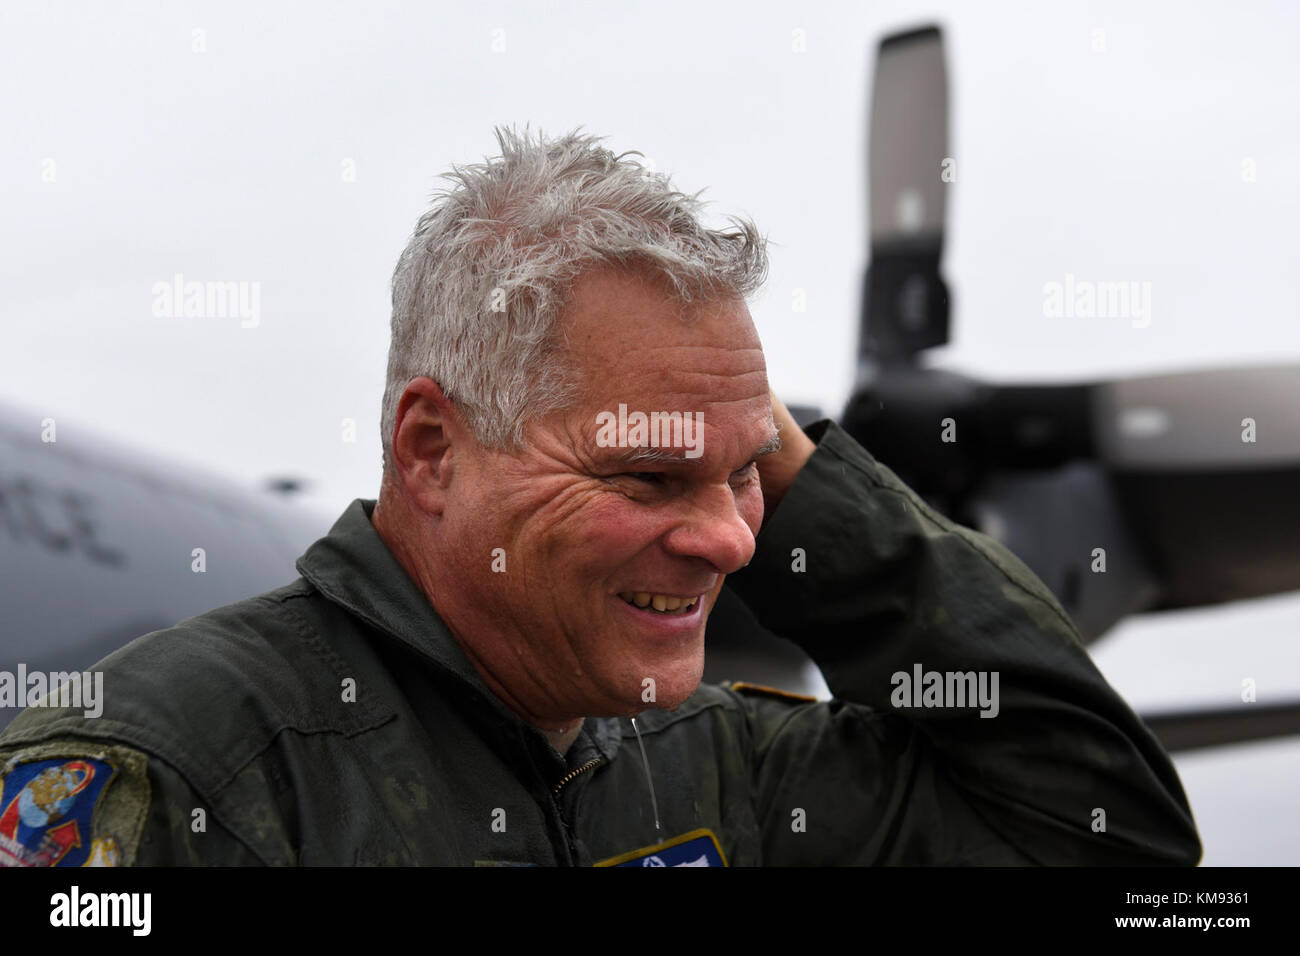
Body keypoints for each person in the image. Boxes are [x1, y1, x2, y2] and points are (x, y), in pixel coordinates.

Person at [0, 127, 1200, 866]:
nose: (734, 539)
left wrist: (779, 447)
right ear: (430, 446)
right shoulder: (163, 782)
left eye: (747, 474)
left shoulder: (713, 766)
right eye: (646, 471)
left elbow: (1099, 831)